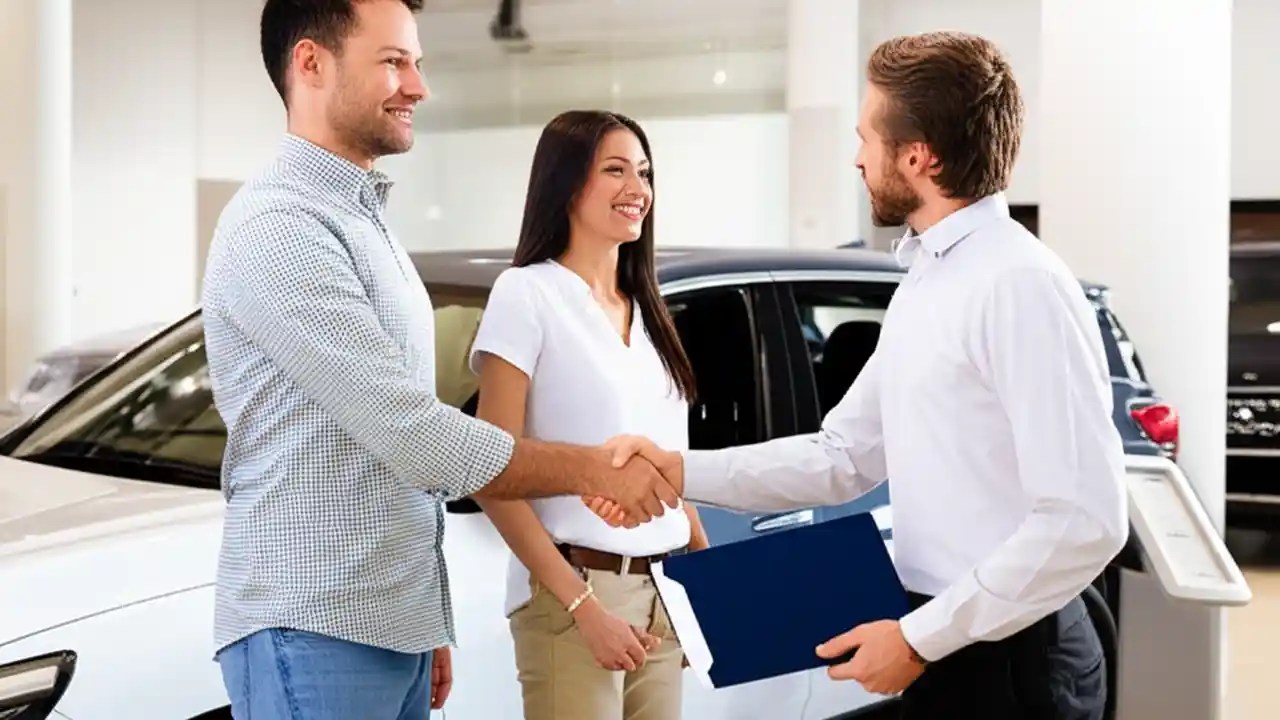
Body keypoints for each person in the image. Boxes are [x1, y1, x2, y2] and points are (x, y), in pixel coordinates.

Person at [592, 31, 1128, 720]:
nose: (857, 158)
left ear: (918, 156)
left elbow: (1086, 518)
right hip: (946, 637)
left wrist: (918, 637)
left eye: (865, 138)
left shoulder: (1020, 284)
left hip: (1014, 657)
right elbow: (843, 457)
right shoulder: (928, 280)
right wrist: (675, 469)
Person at [200, 3, 679, 719]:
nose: (418, 86)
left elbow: (386, 459)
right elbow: (417, 437)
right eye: (394, 61)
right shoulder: (282, 225)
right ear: (311, 63)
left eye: (416, 63)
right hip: (314, 624)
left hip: (386, 625)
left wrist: (424, 623)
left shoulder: (363, 222)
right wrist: (593, 469)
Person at [469, 110, 710, 720]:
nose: (638, 190)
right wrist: (583, 607)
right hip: (577, 593)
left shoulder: (649, 311)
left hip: (665, 592)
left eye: (645, 173)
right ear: (567, 183)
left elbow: (670, 474)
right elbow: (492, 471)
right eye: (615, 170)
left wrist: (703, 580)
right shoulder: (526, 294)